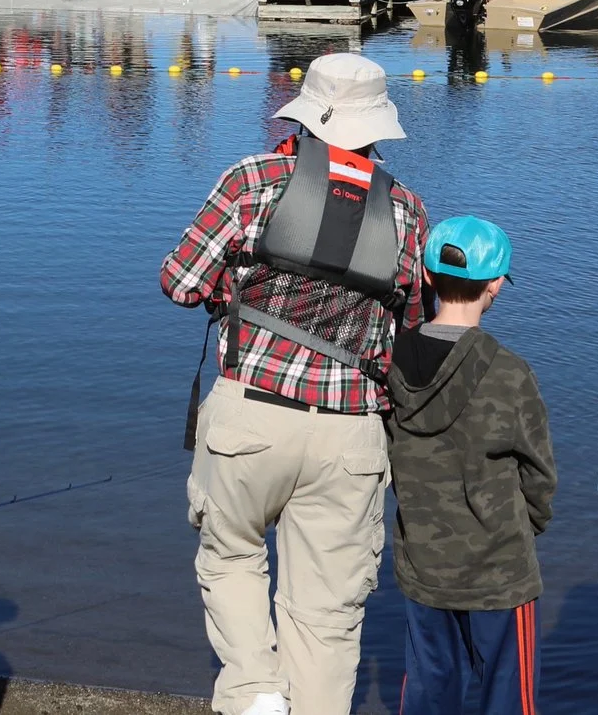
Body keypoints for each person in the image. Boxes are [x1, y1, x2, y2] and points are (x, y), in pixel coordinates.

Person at [160, 52, 430, 715]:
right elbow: (413, 329)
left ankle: (255, 690)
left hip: (252, 411)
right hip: (351, 432)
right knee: (328, 611)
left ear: (305, 114)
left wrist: (238, 287)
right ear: (376, 126)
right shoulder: (408, 210)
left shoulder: (252, 179)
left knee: (230, 555)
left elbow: (180, 282)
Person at [387, 216, 555, 715]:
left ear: (430, 278)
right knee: (510, 698)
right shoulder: (509, 372)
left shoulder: (391, 362)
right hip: (499, 571)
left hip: (423, 563)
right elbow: (539, 478)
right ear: (496, 285)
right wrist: (527, 529)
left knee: (428, 691)